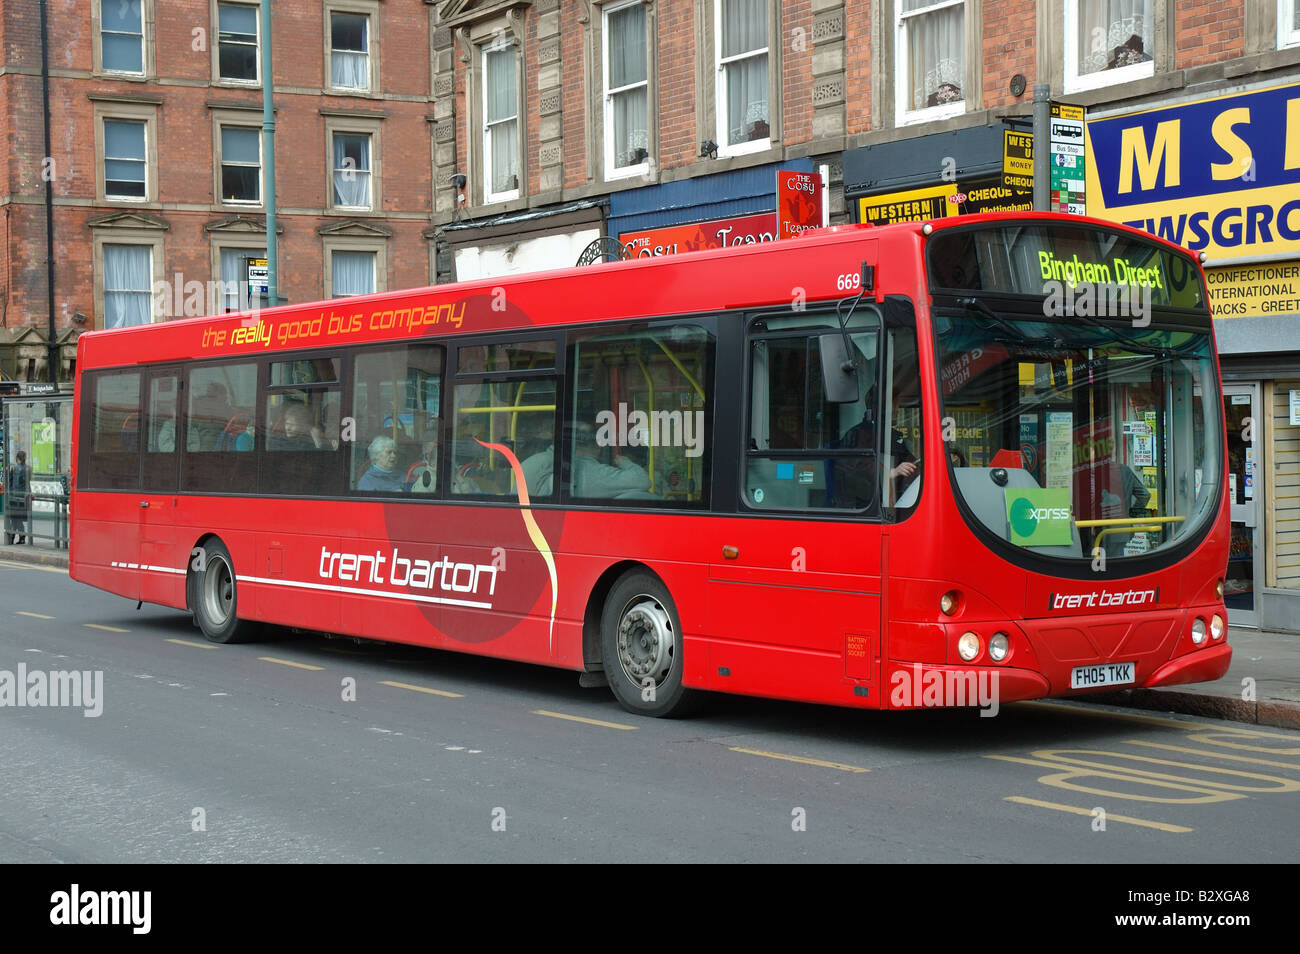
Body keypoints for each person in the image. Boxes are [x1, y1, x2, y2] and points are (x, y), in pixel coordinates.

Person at [5, 450, 30, 545]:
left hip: (15, 497)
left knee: (14, 519)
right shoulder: (28, 468)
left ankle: (13, 537)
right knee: (18, 519)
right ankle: (20, 537)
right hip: (23, 497)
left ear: (17, 458)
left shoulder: (14, 468)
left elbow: (11, 482)